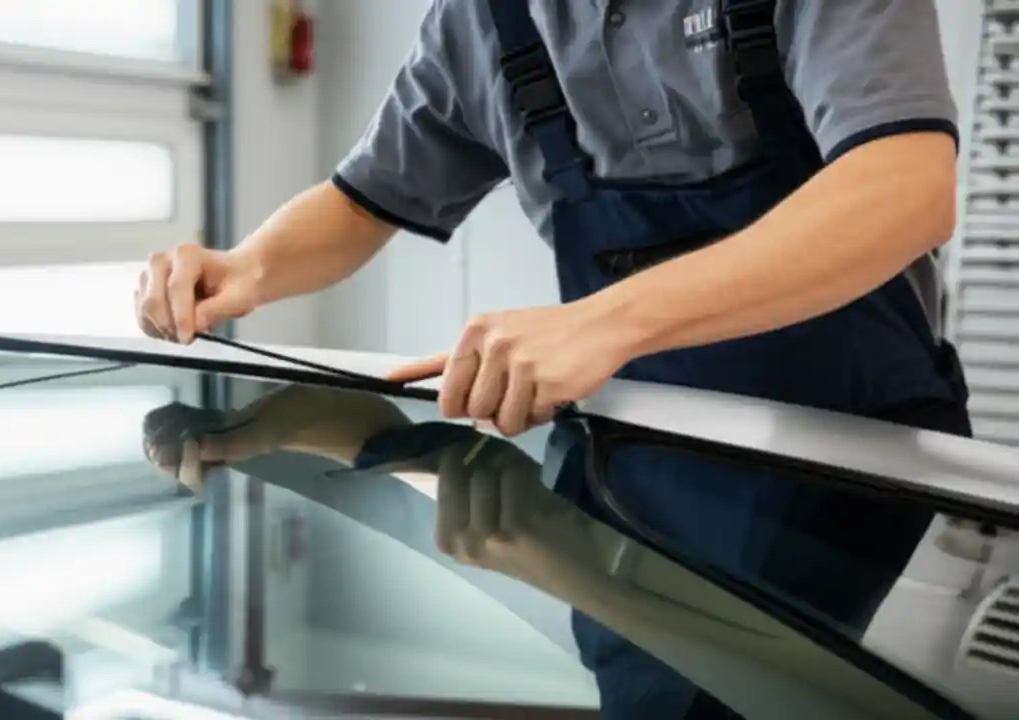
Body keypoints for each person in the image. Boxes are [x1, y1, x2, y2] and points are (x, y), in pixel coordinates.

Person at [136, 2, 971, 718]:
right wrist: (247, 266)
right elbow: (364, 198)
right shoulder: (482, 20)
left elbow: (903, 187)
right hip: (641, 473)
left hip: (862, 473)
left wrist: (602, 324)